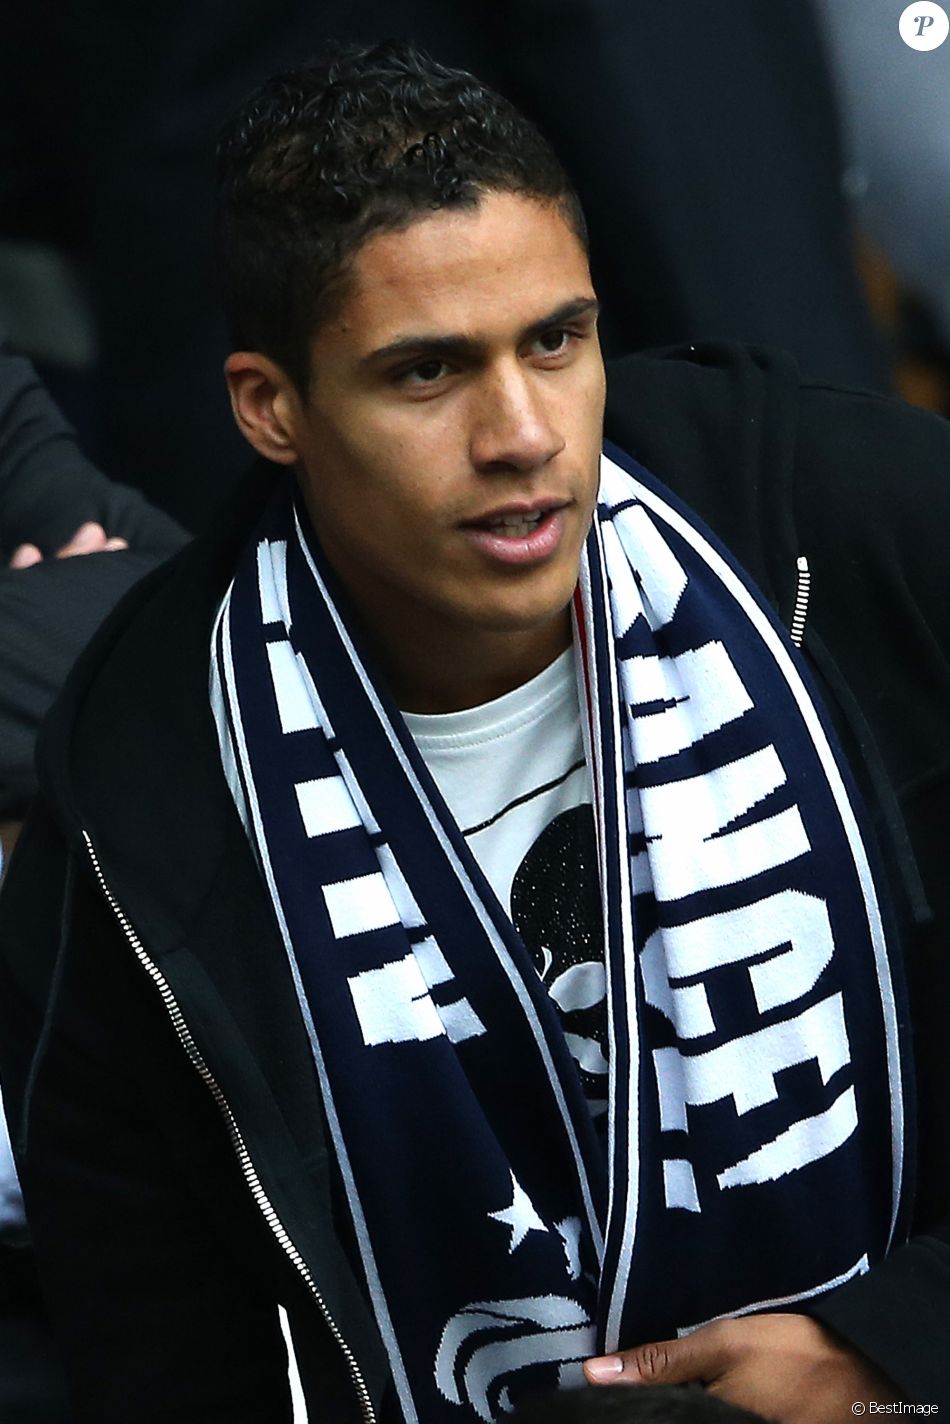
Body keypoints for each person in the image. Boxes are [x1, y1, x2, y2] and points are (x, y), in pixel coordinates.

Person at [0, 40, 947, 1424]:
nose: (522, 434)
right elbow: (157, 1347)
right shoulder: (140, 796)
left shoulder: (823, 521)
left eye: (555, 341)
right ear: (272, 408)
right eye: (427, 372)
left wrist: (892, 1349)